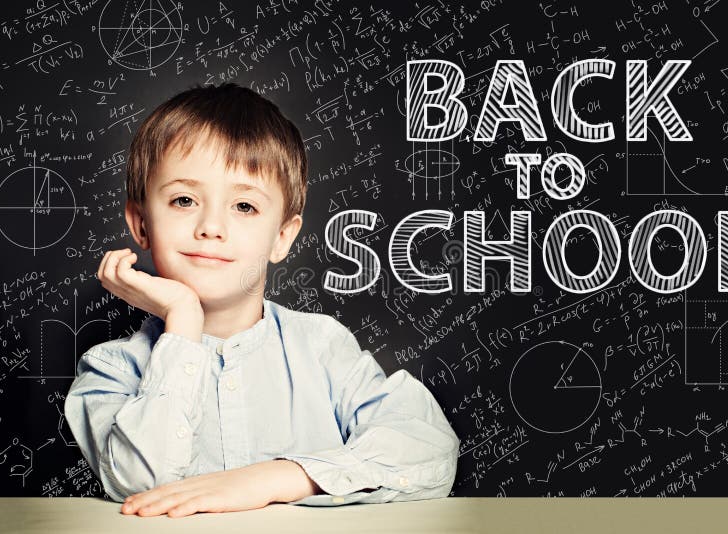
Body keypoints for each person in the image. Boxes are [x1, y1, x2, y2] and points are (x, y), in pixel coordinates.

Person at [64, 82, 460, 518]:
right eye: (184, 199)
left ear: (283, 237)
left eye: (245, 207)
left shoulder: (322, 348)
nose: (211, 226)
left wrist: (276, 478)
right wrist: (183, 318)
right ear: (141, 224)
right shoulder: (111, 369)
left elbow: (430, 449)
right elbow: (139, 483)